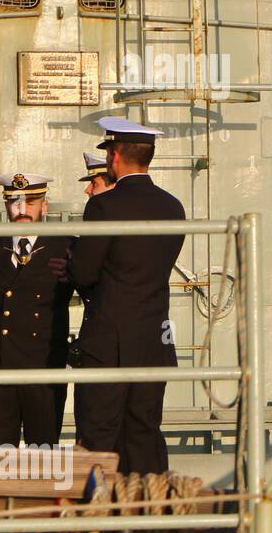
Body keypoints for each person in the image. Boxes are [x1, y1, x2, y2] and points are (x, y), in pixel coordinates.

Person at [52, 117, 185, 475]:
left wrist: (73, 265)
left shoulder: (104, 207)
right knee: (143, 432)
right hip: (153, 341)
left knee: (98, 434)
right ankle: (146, 522)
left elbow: (85, 273)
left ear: (114, 156)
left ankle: (100, 526)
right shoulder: (173, 208)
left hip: (108, 342)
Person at [0, 174, 73, 447]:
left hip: (44, 366)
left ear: (45, 207)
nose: (22, 209)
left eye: (30, 201)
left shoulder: (65, 247)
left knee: (44, 454)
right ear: (6, 206)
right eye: (14, 202)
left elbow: (99, 298)